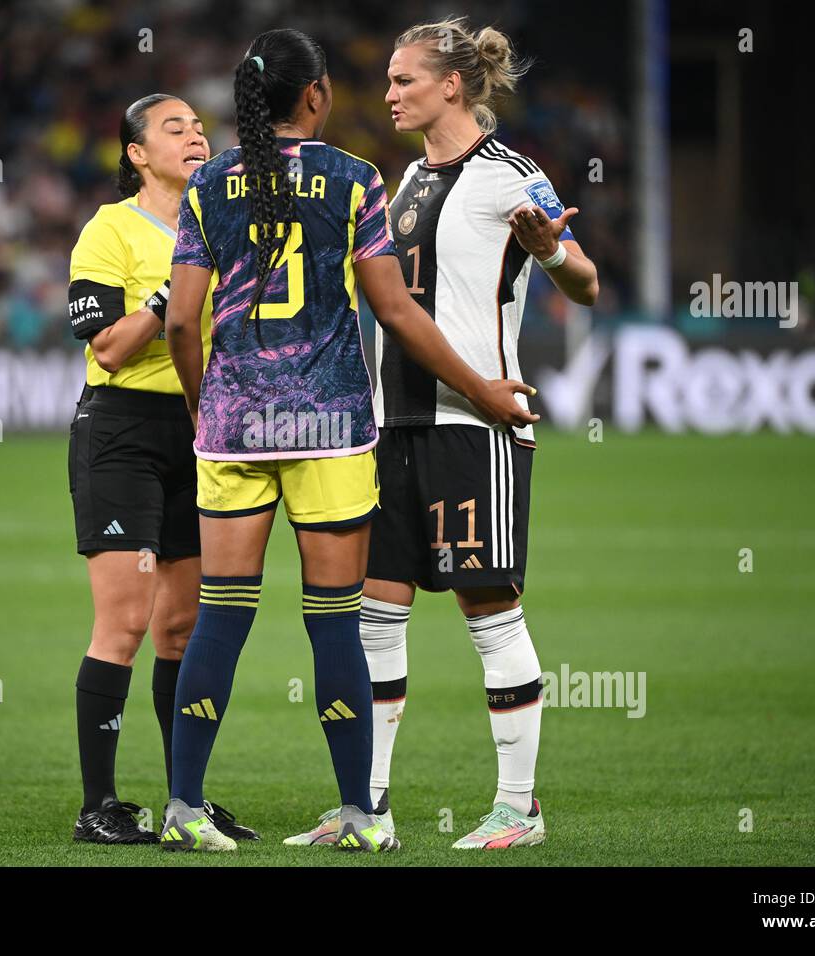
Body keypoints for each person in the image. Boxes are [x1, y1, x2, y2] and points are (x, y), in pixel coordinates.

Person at [159, 28, 539, 853]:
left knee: (219, 619)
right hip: (331, 428)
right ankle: (363, 815)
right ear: (318, 97)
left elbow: (181, 319)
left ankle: (184, 807)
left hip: (234, 424)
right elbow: (397, 311)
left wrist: (204, 406)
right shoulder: (356, 180)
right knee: (335, 623)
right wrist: (483, 391)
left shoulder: (209, 184)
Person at [285, 17, 599, 851]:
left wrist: (554, 254)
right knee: (374, 617)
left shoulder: (510, 176)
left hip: (476, 419)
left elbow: (588, 280)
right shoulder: (408, 178)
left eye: (404, 81)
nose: (388, 94)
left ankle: (519, 808)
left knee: (488, 611)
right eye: (389, 81)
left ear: (451, 85)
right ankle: (369, 804)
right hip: (394, 427)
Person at [66, 93, 255, 844]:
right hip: (123, 432)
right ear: (138, 154)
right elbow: (107, 347)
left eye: (201, 126)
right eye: (174, 128)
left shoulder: (226, 224)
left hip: (202, 429)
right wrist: (165, 293)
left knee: (182, 627)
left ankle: (186, 801)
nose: (196, 136)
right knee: (126, 622)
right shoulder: (110, 229)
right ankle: (99, 806)